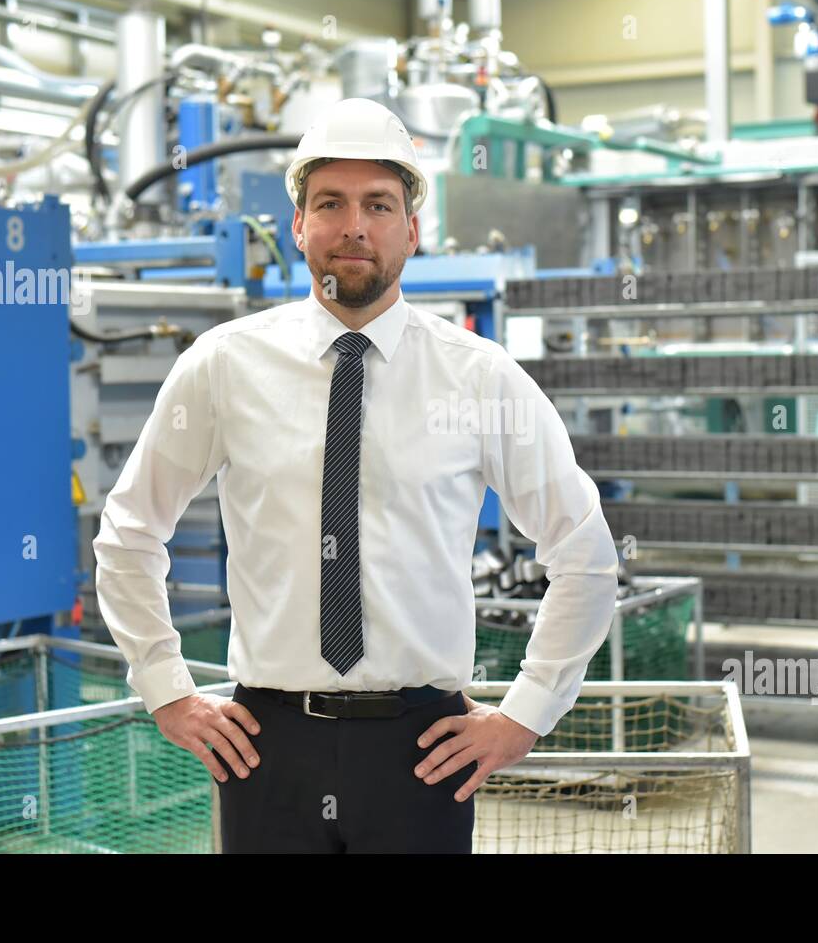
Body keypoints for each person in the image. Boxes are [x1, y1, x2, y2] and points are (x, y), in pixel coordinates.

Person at [93, 97, 619, 853]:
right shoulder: (223, 367)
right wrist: (167, 690)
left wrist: (526, 713)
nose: (355, 226)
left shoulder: (479, 378)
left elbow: (585, 550)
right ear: (299, 224)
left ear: (412, 227)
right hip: (266, 747)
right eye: (330, 203)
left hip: (423, 750)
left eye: (379, 204)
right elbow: (129, 533)